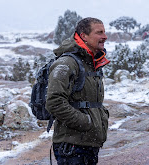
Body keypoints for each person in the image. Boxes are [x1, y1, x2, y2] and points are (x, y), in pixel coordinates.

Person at [46, 17, 110, 164]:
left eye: (104, 32)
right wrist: (86, 122)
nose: (105, 37)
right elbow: (54, 102)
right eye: (99, 32)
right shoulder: (67, 63)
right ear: (83, 36)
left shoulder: (90, 62)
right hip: (72, 145)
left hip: (87, 142)